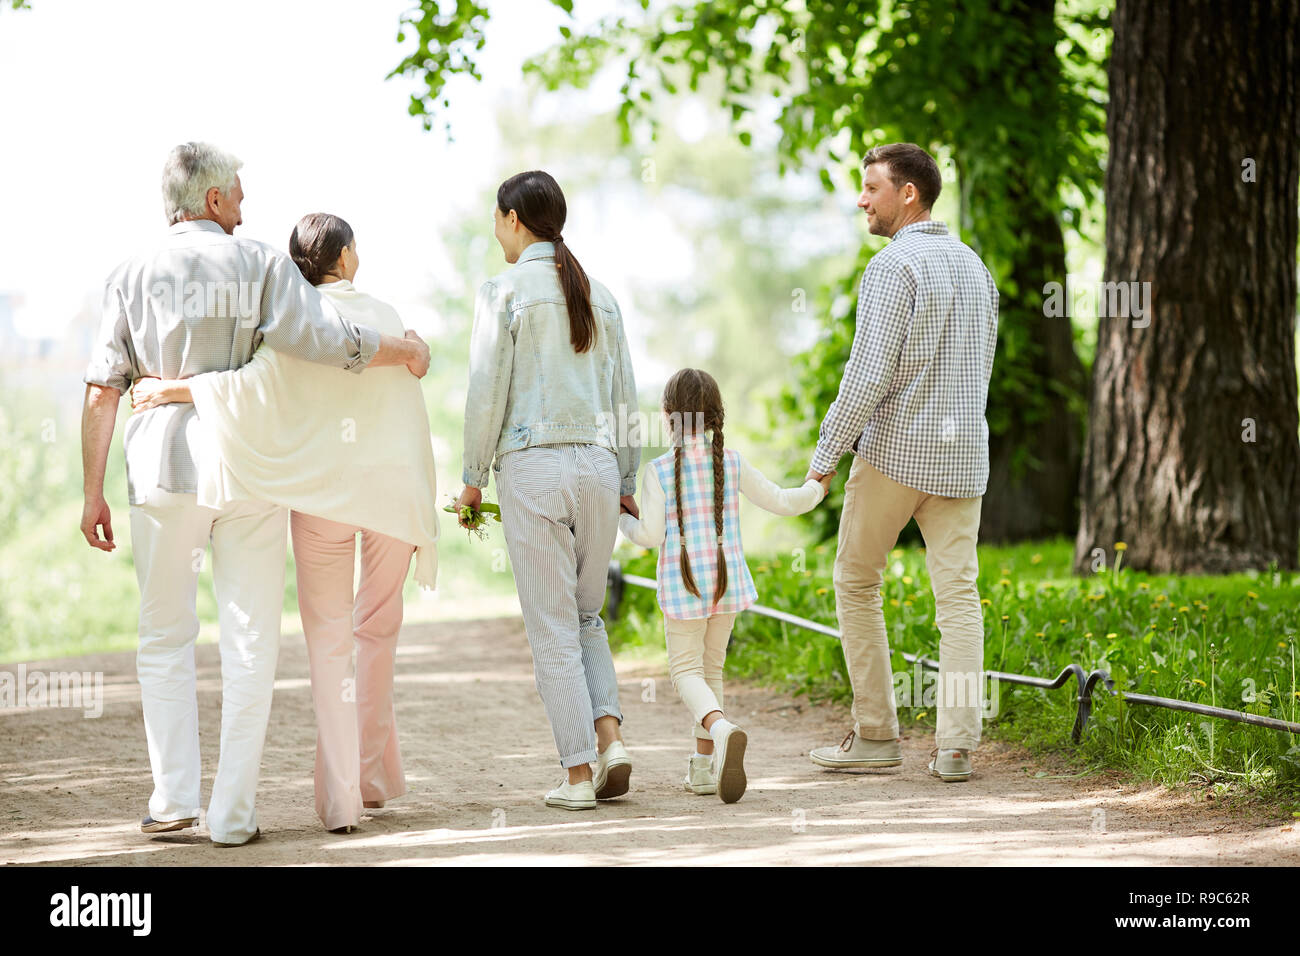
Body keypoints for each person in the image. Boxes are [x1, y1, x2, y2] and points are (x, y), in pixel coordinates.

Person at [80, 143, 431, 848]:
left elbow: (101, 390)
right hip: (247, 467)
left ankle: (173, 798)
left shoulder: (129, 273)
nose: (245, 204)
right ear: (212, 201)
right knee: (250, 639)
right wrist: (404, 352)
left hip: (161, 470)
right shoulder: (262, 263)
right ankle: (233, 814)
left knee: (163, 634)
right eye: (238, 193)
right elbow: (326, 337)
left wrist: (92, 494)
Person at [805, 143, 999, 783]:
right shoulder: (977, 270)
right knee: (959, 599)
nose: (862, 199)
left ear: (907, 193)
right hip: (963, 458)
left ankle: (878, 736)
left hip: (894, 455)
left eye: (871, 187)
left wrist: (826, 455)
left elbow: (866, 375)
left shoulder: (892, 268)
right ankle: (956, 749)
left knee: (857, 583)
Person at [455, 170, 639, 811]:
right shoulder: (600, 294)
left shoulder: (502, 292)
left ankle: (578, 777)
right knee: (587, 618)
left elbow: (487, 391)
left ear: (512, 218)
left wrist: (472, 479)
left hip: (534, 468)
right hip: (599, 467)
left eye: (495, 217)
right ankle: (611, 742)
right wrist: (630, 478)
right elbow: (625, 396)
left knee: (552, 629)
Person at [619, 369, 833, 803]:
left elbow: (651, 536)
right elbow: (782, 500)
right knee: (711, 669)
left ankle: (720, 728)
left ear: (668, 416)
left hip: (683, 587)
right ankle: (702, 768)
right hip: (726, 584)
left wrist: (622, 517)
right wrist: (816, 488)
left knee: (685, 673)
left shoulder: (658, 471)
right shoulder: (731, 462)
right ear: (718, 416)